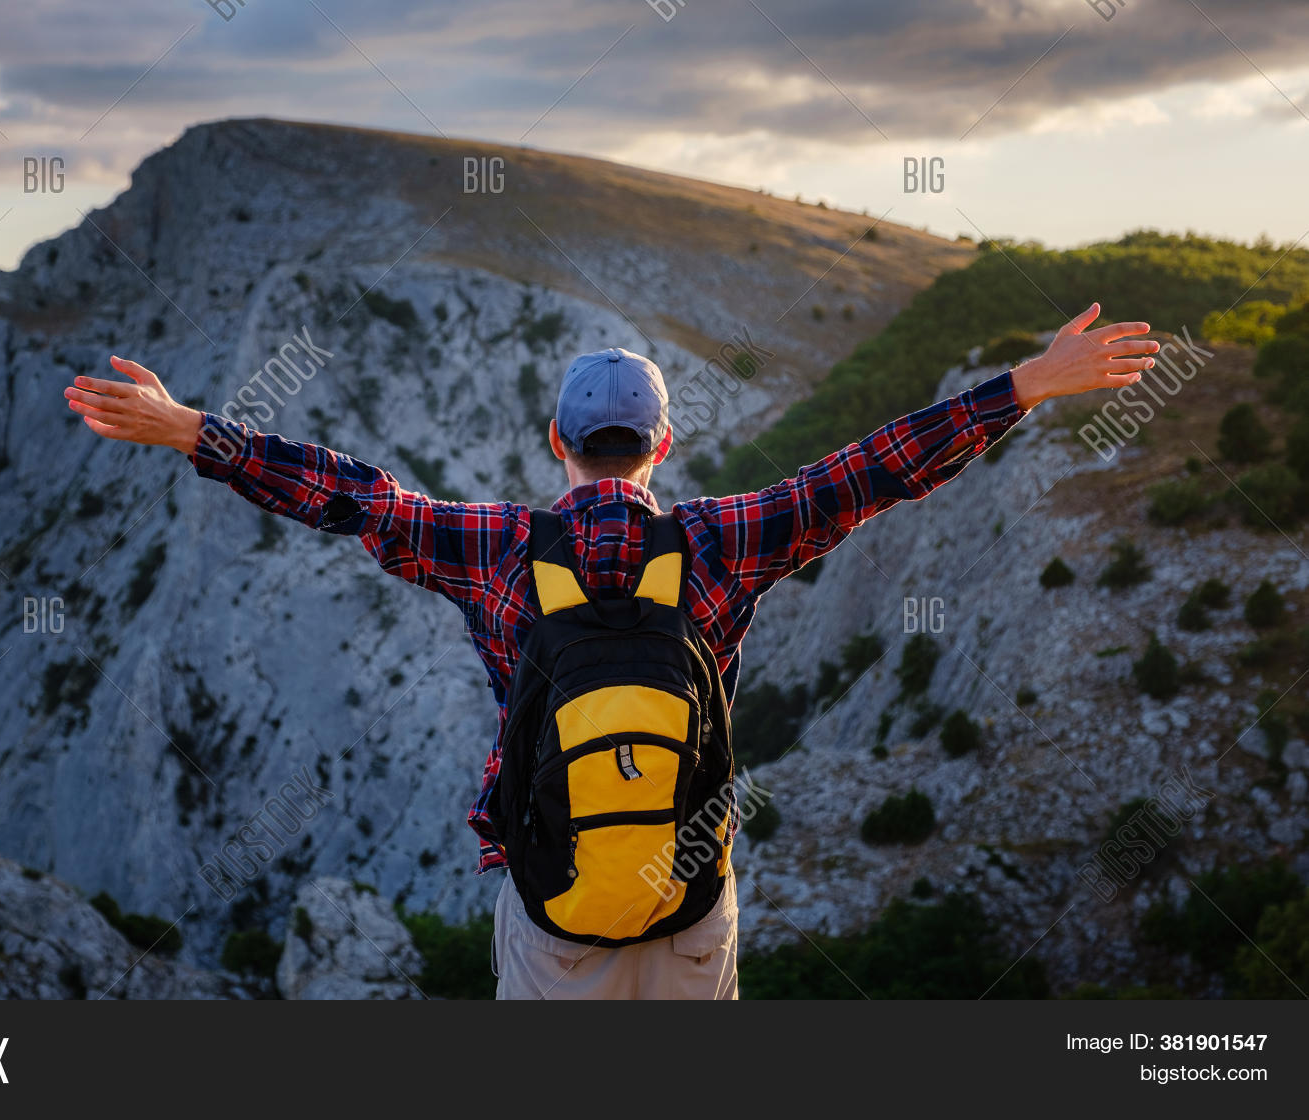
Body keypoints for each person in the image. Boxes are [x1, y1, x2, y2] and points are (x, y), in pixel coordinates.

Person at [63, 301, 1158, 999]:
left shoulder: (494, 549)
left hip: (557, 921)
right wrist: (1024, 385)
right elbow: (869, 470)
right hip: (690, 904)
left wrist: (196, 430)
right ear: (662, 446)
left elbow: (358, 498)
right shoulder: (723, 539)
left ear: (559, 444)